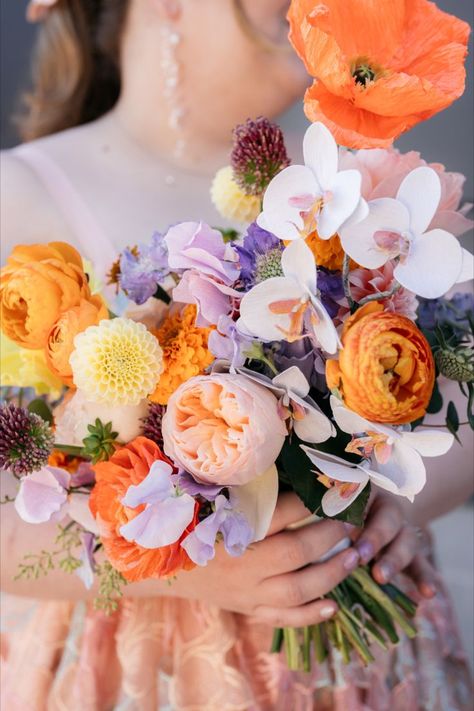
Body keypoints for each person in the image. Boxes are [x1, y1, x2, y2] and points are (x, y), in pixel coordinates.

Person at [0, 1, 472, 709]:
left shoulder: (354, 185)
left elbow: (461, 414)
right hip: (148, 677)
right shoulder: (22, 194)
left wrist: (387, 505)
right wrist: (183, 567)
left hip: (376, 672)